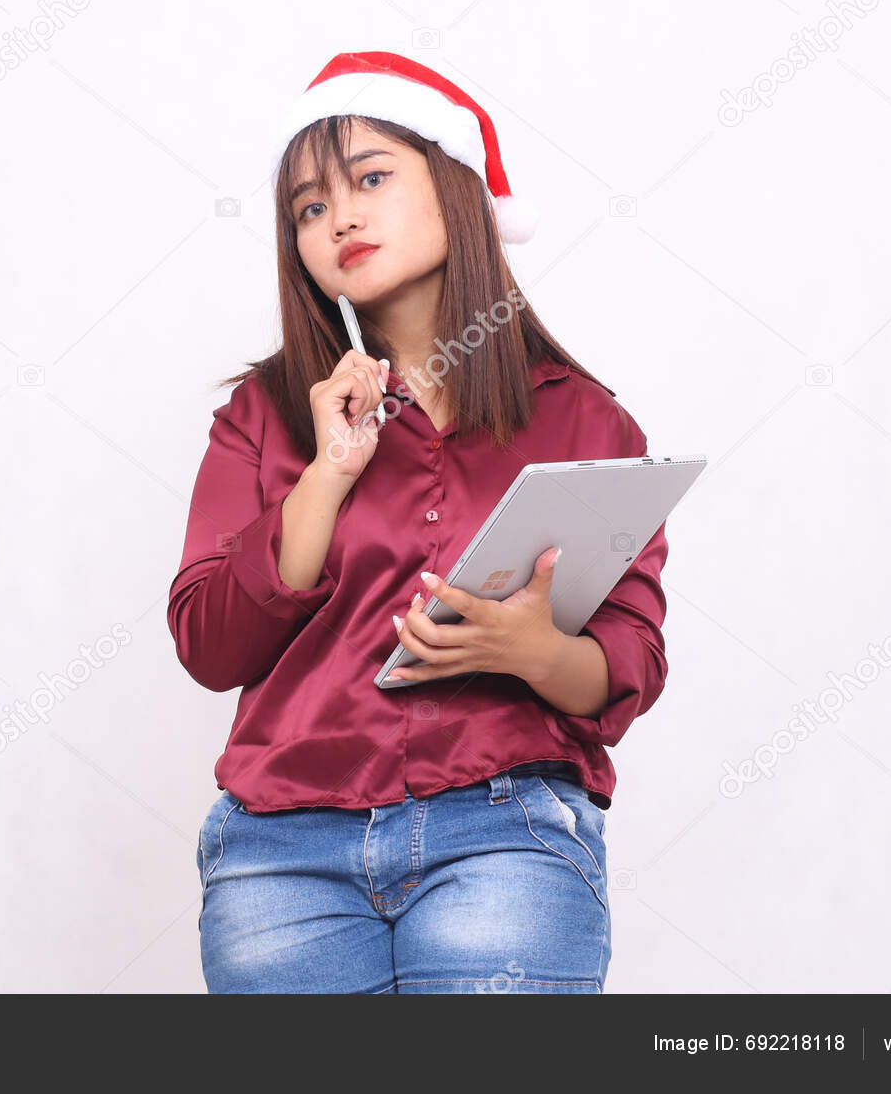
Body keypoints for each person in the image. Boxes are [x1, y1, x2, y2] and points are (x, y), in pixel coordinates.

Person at [167, 51, 672, 994]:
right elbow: (208, 644)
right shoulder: (265, 416)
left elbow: (628, 664)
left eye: (369, 179)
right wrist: (328, 474)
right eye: (310, 207)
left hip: (504, 826)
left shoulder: (586, 422)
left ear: (455, 187)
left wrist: (527, 647)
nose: (341, 217)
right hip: (281, 850)